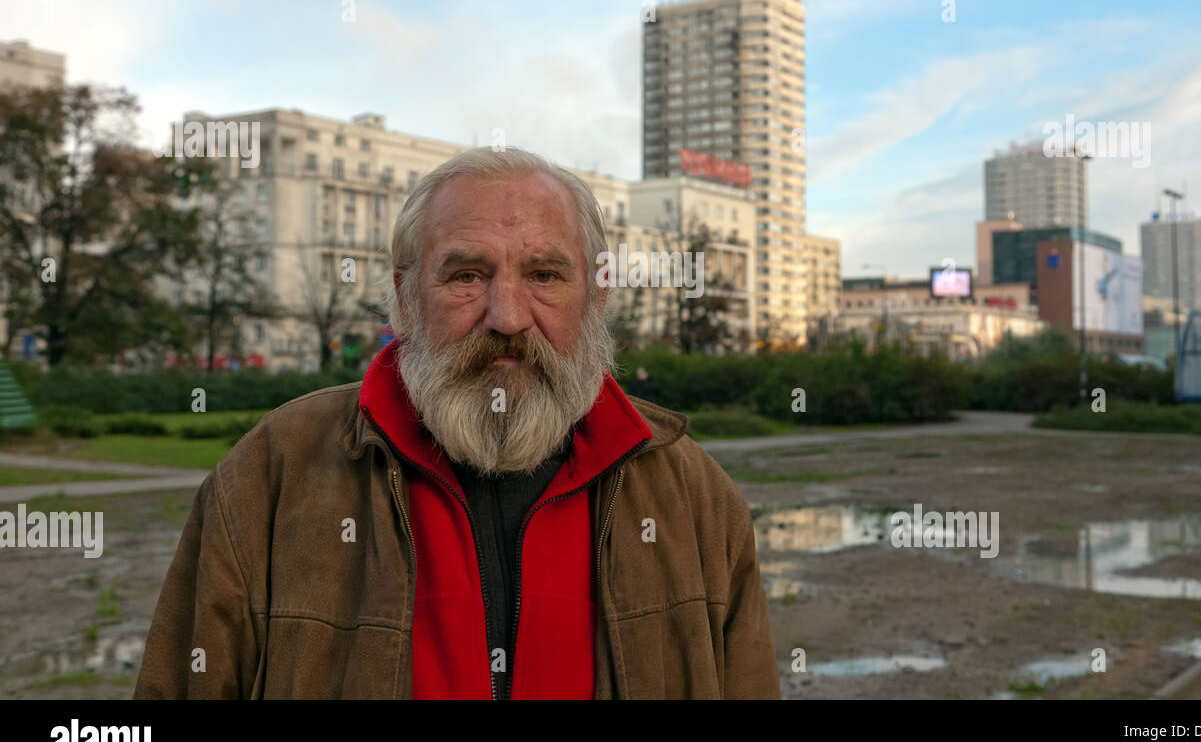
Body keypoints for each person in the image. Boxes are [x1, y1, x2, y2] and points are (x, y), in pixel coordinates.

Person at [134, 146, 780, 700]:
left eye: (545, 274)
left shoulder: (695, 498)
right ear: (406, 300)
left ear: (597, 298)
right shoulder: (269, 476)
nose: (507, 315)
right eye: (466, 275)